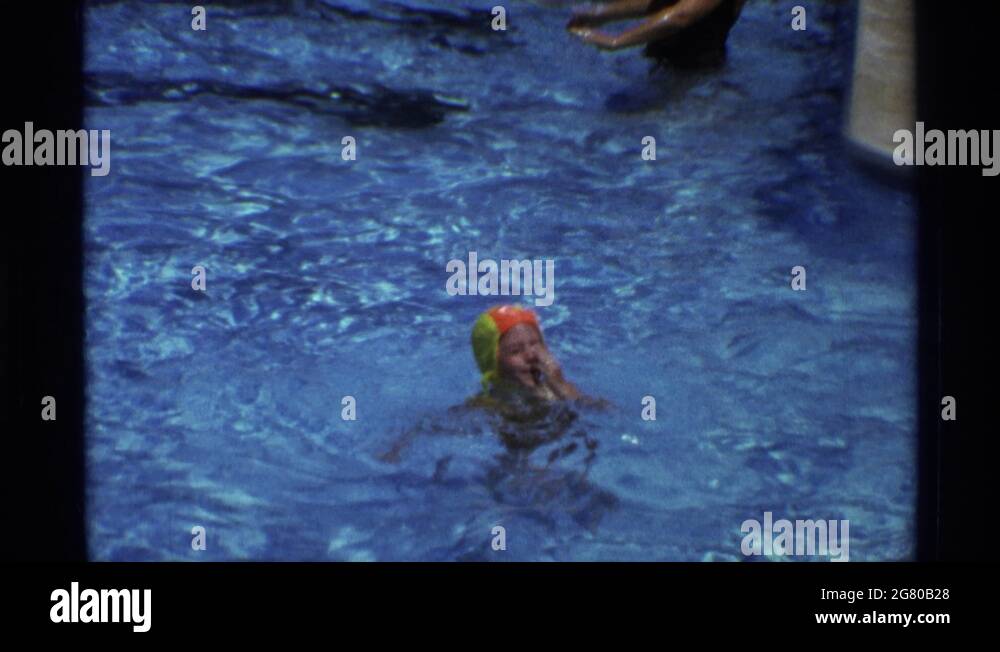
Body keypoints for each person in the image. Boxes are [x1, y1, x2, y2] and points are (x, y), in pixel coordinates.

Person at [567, 0, 747, 69]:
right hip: (664, 64)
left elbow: (682, 15)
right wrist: (602, 14)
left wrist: (615, 41)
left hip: (695, 80)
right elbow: (664, 1)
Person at [471, 305, 581, 402]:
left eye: (535, 344)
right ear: (493, 363)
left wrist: (561, 386)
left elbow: (595, 409)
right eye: (516, 351)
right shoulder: (484, 406)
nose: (530, 355)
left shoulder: (560, 390)